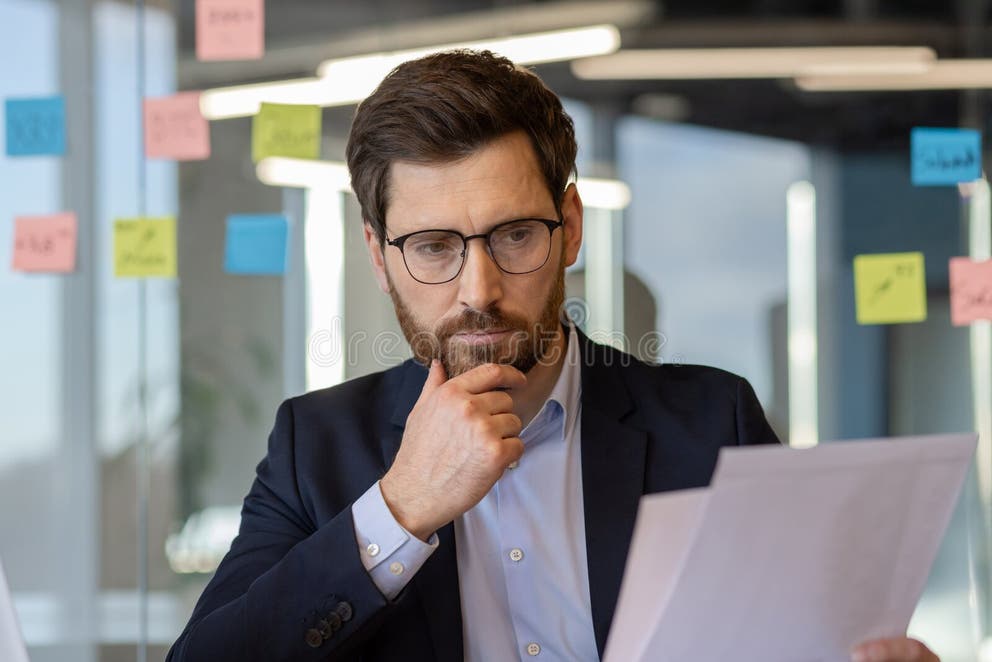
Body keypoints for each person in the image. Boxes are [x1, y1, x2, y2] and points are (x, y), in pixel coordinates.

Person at [167, 49, 939, 662]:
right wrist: (401, 508)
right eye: (433, 246)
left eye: (514, 235)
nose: (480, 289)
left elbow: (804, 640)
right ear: (378, 255)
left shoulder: (713, 424)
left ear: (570, 225)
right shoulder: (315, 447)